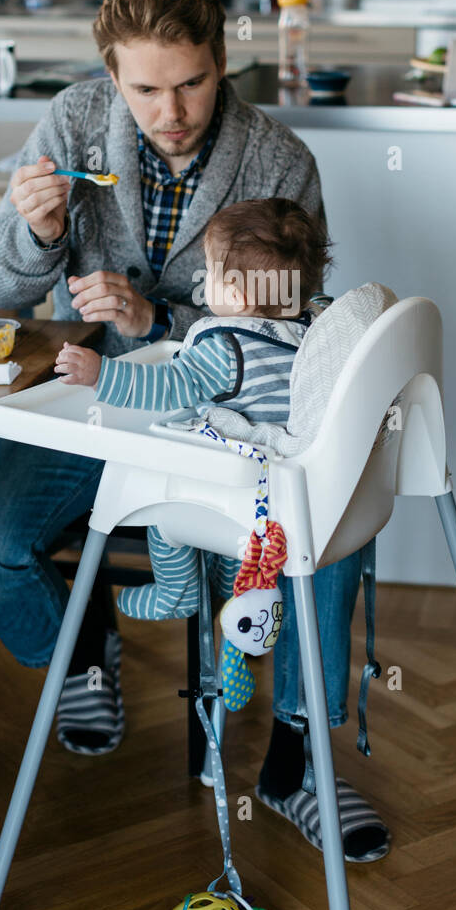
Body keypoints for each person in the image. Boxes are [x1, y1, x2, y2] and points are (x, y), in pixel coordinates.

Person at [0, 0, 389, 861]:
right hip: (89, 395)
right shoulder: (71, 124)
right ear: (112, 77)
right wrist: (34, 235)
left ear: (222, 63)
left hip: (219, 422)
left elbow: (288, 319)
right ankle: (80, 645)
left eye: (190, 83)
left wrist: (167, 322)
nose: (171, 112)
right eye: (145, 89)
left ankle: (298, 760)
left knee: (329, 504)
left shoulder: (278, 163)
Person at [55, 196, 329, 621]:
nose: (204, 282)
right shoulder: (310, 336)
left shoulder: (227, 348)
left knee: (159, 505)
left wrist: (100, 374)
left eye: (210, 274)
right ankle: (226, 581)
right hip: (275, 499)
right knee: (233, 531)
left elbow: (169, 387)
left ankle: (176, 591)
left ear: (235, 298)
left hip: (222, 487)